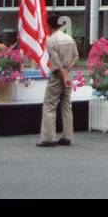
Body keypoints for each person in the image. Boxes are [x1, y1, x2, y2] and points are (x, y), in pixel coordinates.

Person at [38, 14, 79, 148]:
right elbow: (76, 57)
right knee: (67, 105)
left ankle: (49, 137)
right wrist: (67, 72)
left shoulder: (51, 41)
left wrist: (63, 76)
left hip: (57, 76)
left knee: (50, 105)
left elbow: (55, 63)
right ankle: (67, 135)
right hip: (68, 73)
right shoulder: (69, 38)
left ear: (49, 26)